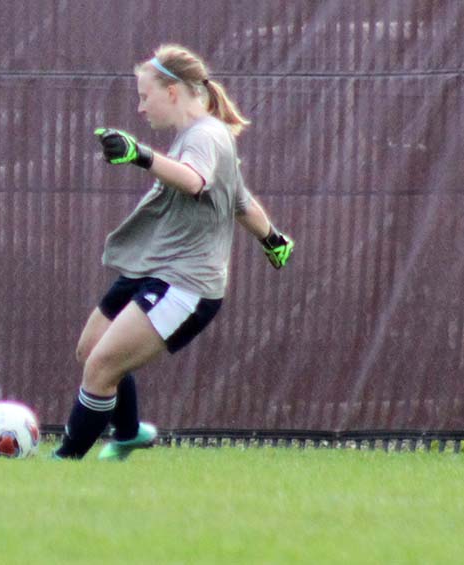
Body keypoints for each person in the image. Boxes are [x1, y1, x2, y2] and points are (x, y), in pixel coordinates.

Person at [53, 44, 294, 460]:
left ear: (173, 92)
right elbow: (237, 201)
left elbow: (196, 181)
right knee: (91, 350)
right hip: (154, 269)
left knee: (101, 368)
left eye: (145, 96)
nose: (140, 108)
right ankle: (127, 432)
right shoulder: (201, 135)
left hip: (186, 282)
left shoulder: (206, 135)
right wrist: (272, 238)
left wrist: (140, 155)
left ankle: (63, 462)